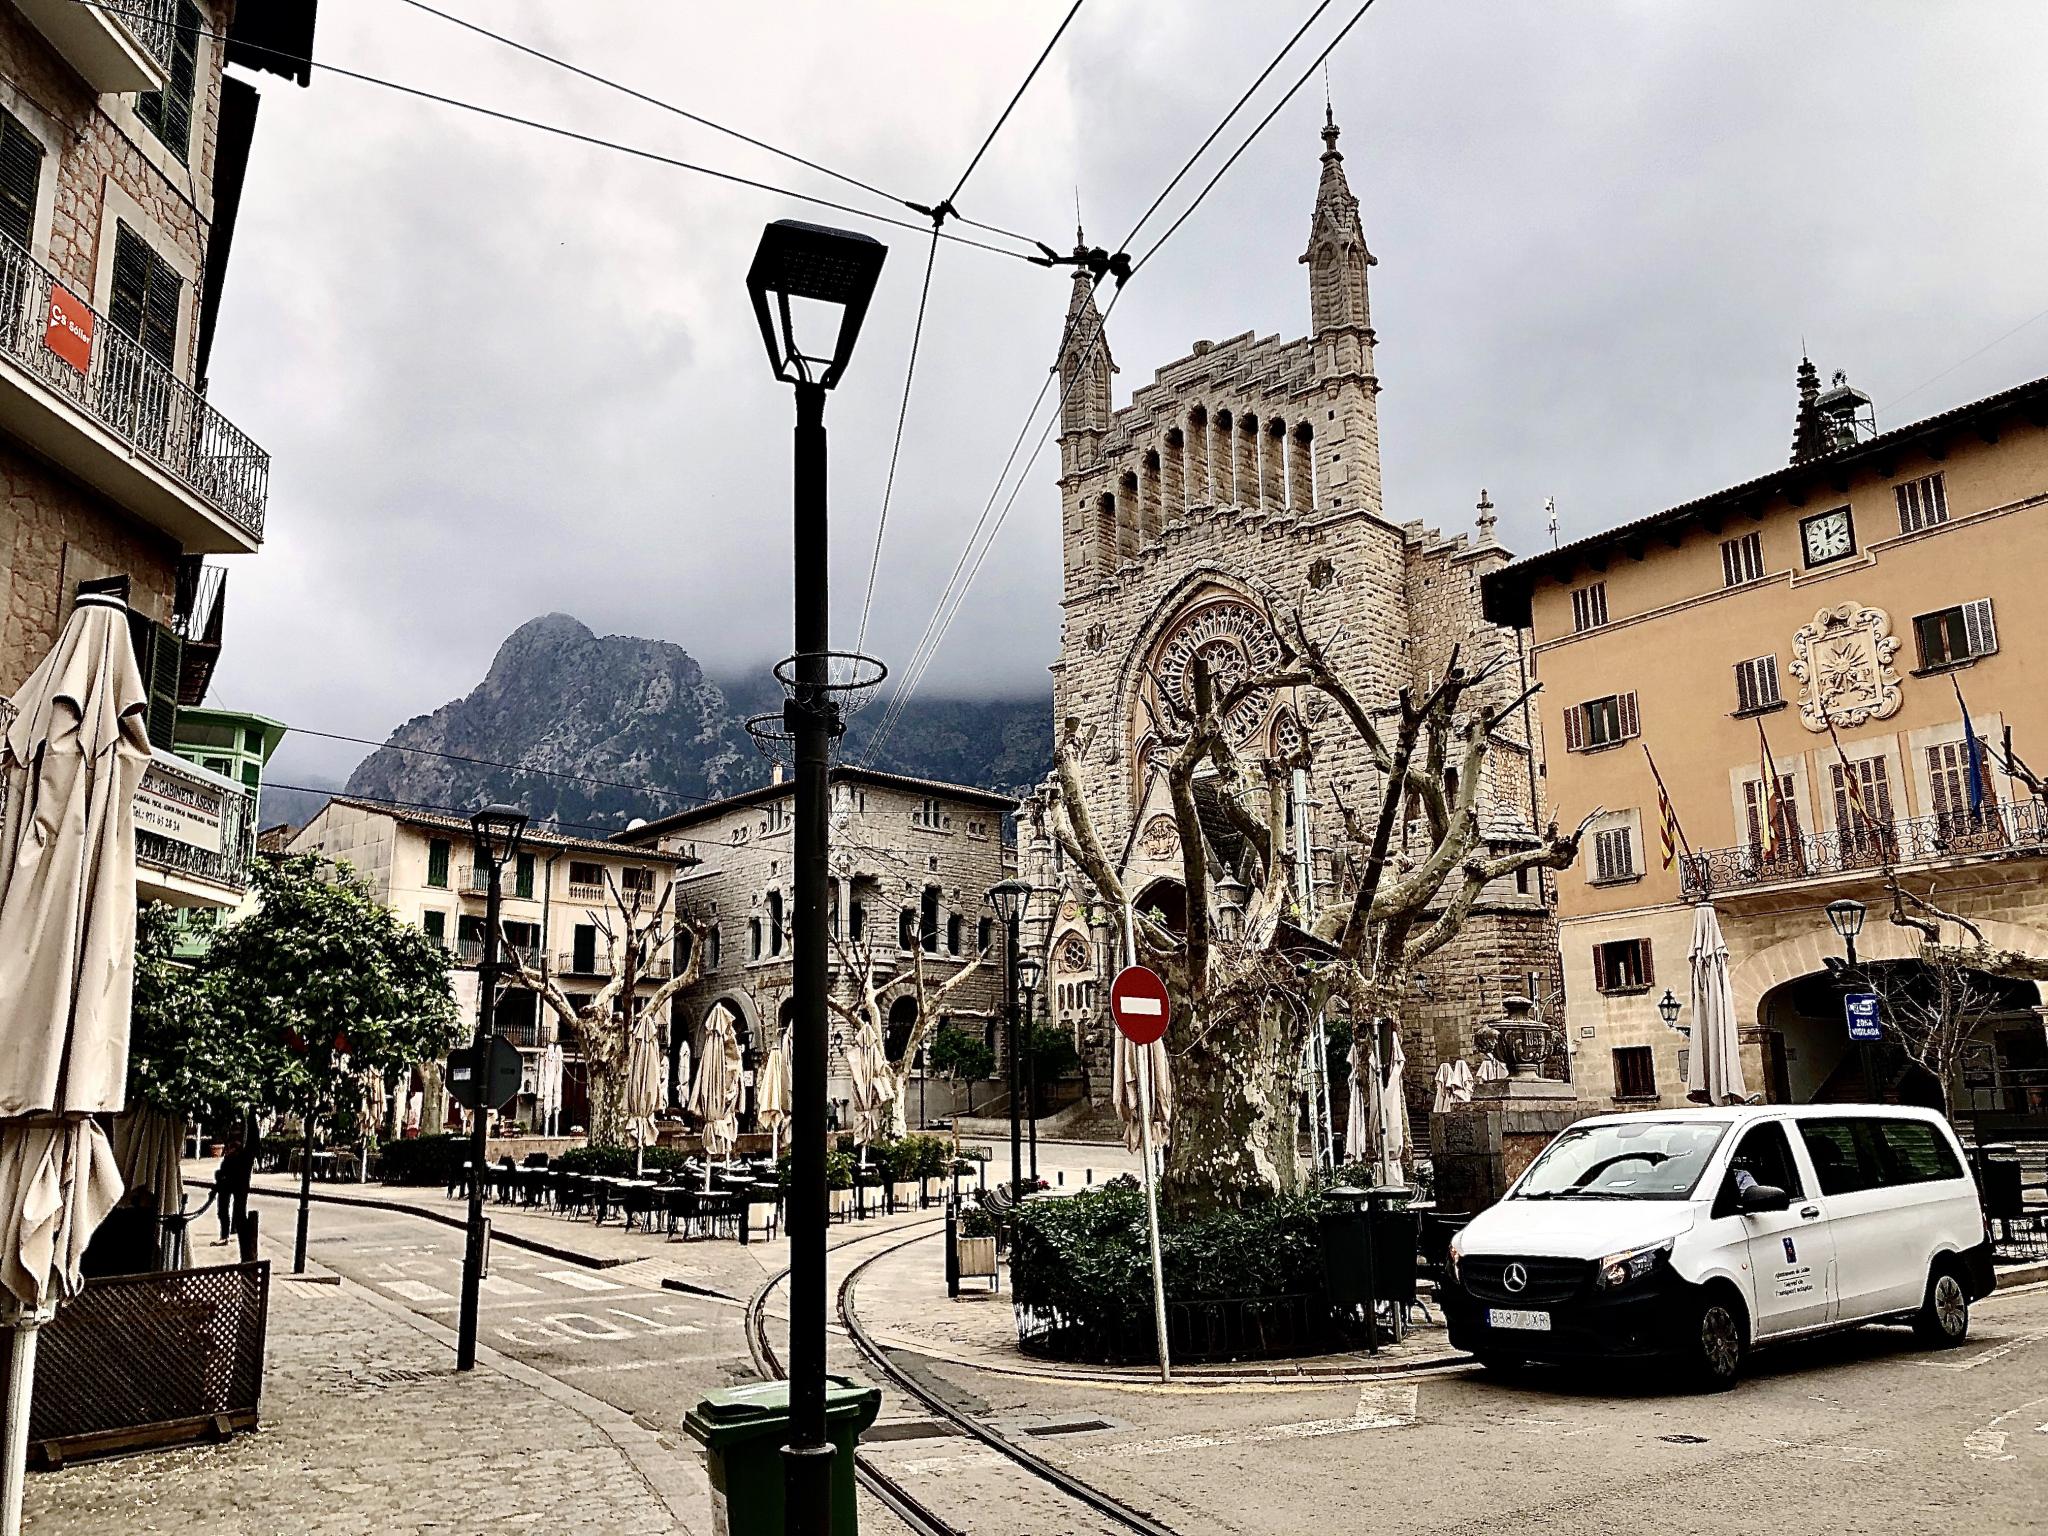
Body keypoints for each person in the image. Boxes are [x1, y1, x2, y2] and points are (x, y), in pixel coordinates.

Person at [214, 1130, 256, 1246]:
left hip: (238, 1184)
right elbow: (222, 1172)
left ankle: (234, 1233)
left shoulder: (243, 1156)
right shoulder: (230, 1157)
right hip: (228, 1185)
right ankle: (226, 1234)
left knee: (238, 1211)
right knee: (225, 1210)